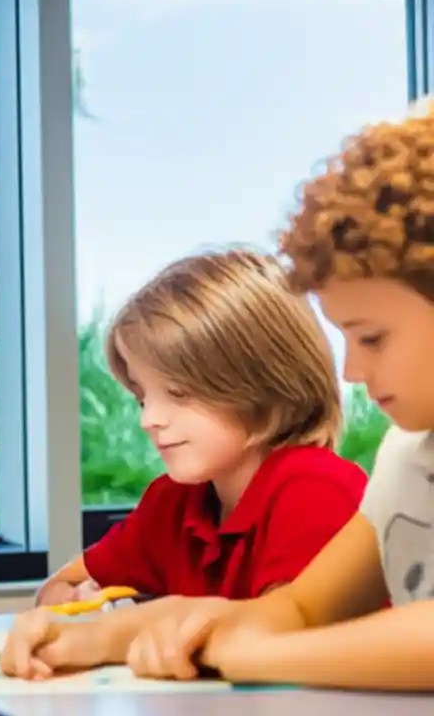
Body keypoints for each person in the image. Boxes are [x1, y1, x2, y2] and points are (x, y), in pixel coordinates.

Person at [84, 104, 434, 691]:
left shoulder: (318, 483)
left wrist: (250, 656)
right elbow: (295, 609)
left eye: (373, 337)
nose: (349, 370)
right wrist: (96, 637)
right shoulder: (407, 459)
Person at [0, 249, 366, 679]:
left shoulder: (317, 488)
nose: (148, 418)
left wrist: (114, 629)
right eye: (142, 396)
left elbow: (280, 633)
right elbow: (58, 588)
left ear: (265, 384)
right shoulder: (175, 501)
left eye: (178, 393)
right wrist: (80, 610)